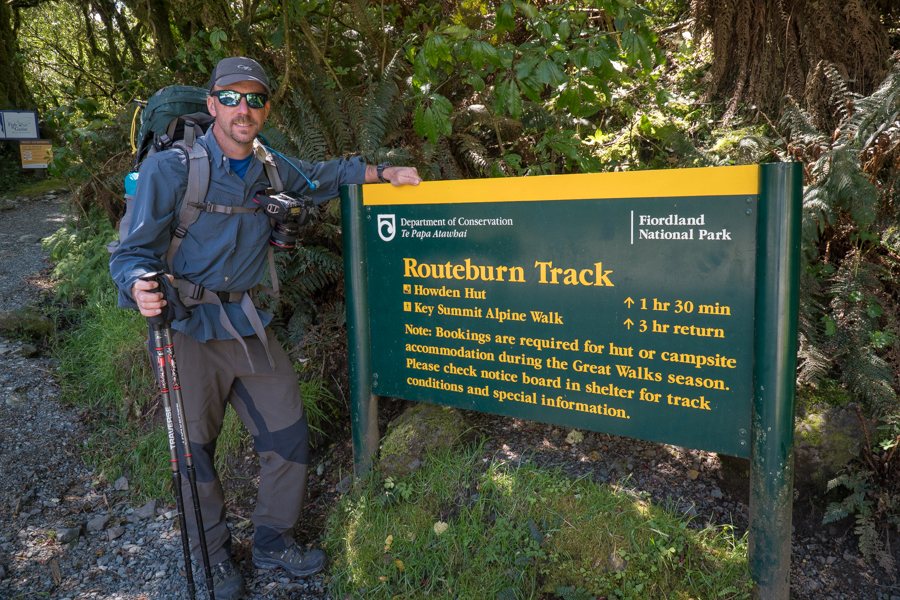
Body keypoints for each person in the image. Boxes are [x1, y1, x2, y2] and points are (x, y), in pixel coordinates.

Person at [110, 56, 421, 600]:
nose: (243, 109)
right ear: (212, 107)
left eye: (254, 99)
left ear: (266, 108)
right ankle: (212, 553)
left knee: (288, 432)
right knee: (194, 450)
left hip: (247, 324)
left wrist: (383, 172)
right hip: (185, 327)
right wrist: (137, 283)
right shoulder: (173, 169)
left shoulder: (271, 166)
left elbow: (325, 176)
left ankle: (273, 540)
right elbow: (131, 251)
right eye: (230, 98)